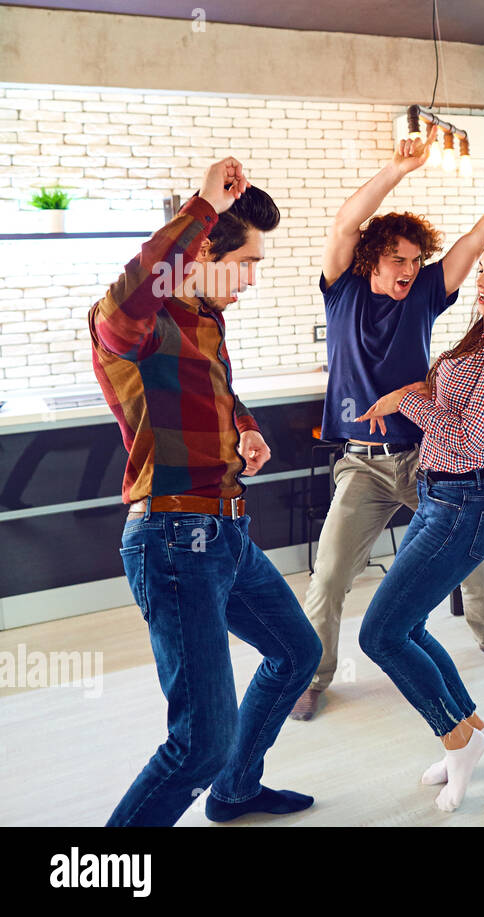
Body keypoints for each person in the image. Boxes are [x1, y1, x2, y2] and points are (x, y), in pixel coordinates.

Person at [291, 134, 484, 721]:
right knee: (329, 574)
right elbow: (347, 222)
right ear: (372, 260)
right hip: (363, 463)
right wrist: (397, 169)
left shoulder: (424, 294)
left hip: (427, 453)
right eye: (397, 259)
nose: (409, 269)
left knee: (474, 556)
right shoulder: (342, 291)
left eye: (416, 260)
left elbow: (478, 237)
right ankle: (314, 674)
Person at [91, 157, 322, 826]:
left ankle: (237, 790)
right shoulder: (136, 321)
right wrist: (202, 207)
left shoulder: (203, 324)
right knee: (199, 744)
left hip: (227, 534)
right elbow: (125, 303)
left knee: (296, 651)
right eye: (245, 263)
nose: (251, 279)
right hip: (172, 539)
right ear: (202, 254)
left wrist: (245, 427)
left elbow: (218, 391)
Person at [351, 227, 484, 812]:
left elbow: (467, 436)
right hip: (441, 497)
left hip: (463, 503)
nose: (481, 282)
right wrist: (413, 394)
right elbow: (449, 398)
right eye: (481, 270)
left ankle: (457, 738)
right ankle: (471, 730)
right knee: (404, 627)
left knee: (381, 633)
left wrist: (410, 403)